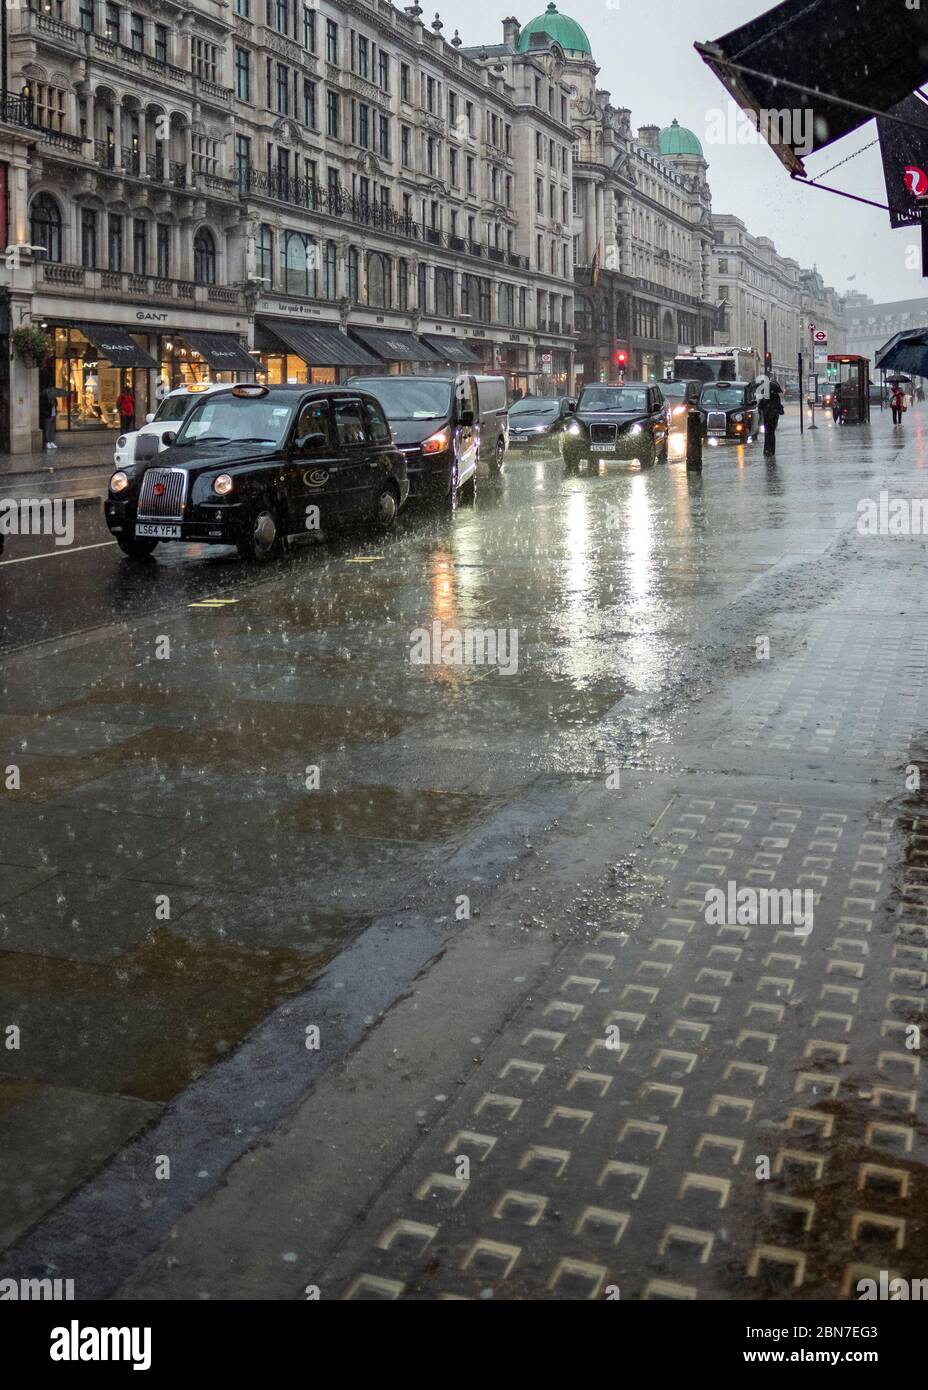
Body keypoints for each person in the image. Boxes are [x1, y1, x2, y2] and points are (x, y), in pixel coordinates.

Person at [761, 378, 783, 457]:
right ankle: (771, 450)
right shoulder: (776, 397)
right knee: (772, 433)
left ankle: (767, 450)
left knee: (767, 433)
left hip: (767, 419)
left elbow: (760, 406)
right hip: (773, 418)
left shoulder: (765, 397)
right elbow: (780, 408)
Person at [39, 383, 60, 450]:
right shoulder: (45, 398)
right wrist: (50, 403)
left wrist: (54, 403)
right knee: (48, 429)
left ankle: (51, 441)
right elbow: (43, 406)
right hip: (48, 415)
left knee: (52, 429)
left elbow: (56, 404)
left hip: (53, 415)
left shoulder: (53, 398)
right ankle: (47, 442)